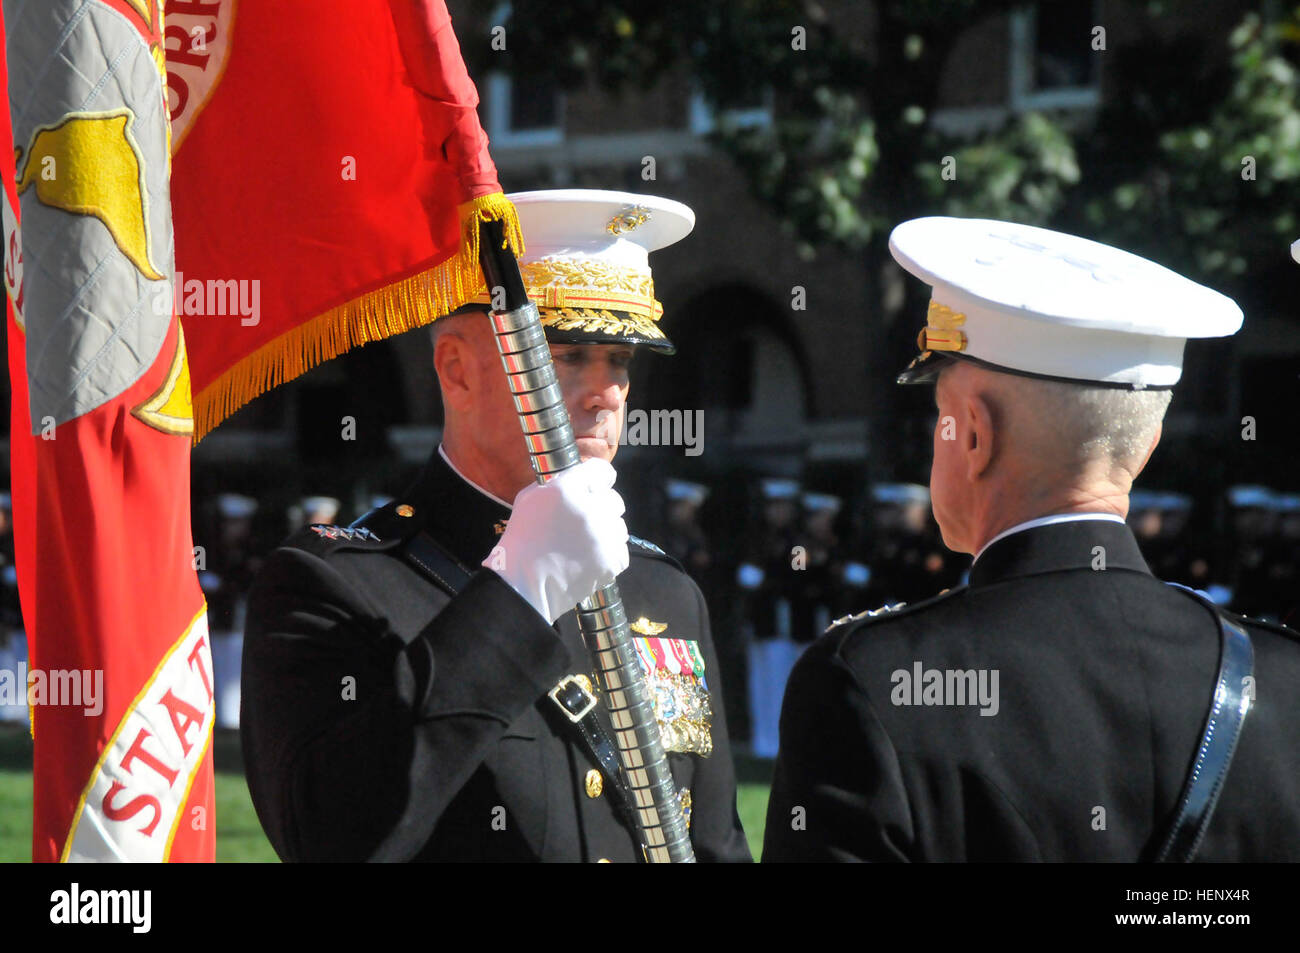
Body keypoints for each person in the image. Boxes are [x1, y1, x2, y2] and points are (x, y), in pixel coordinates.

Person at [764, 216, 1300, 862]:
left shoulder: (868, 685)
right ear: (1146, 446)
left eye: (941, 413)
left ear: (974, 434)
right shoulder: (1281, 680)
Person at [241, 189, 751, 863]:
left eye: (620, 360)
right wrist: (518, 593)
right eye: (566, 355)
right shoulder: (339, 583)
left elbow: (715, 844)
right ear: (456, 369)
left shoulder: (661, 589)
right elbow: (332, 835)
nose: (606, 392)